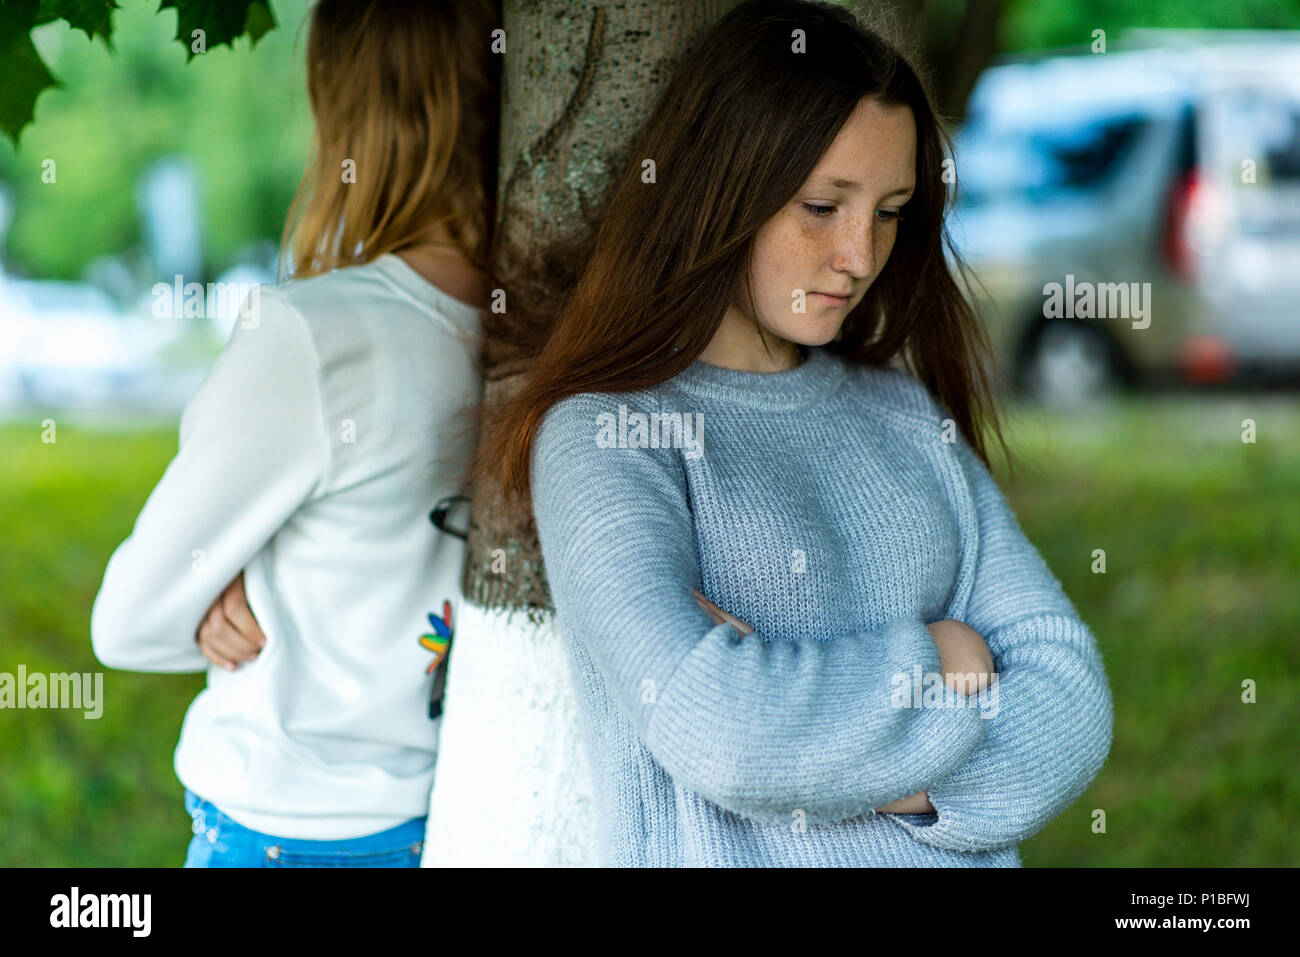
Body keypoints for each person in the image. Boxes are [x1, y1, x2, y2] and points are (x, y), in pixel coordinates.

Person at [469, 0, 1114, 866]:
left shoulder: (903, 411)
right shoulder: (610, 436)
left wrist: (895, 771)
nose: (859, 253)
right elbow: (718, 727)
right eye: (821, 205)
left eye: (889, 211)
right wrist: (944, 654)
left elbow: (1069, 691)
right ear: (719, 185)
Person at [90, 0, 498, 867]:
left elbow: (123, 622)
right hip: (454, 819)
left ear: (346, 108)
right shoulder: (540, 326)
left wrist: (208, 591)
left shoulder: (315, 337)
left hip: (284, 831)